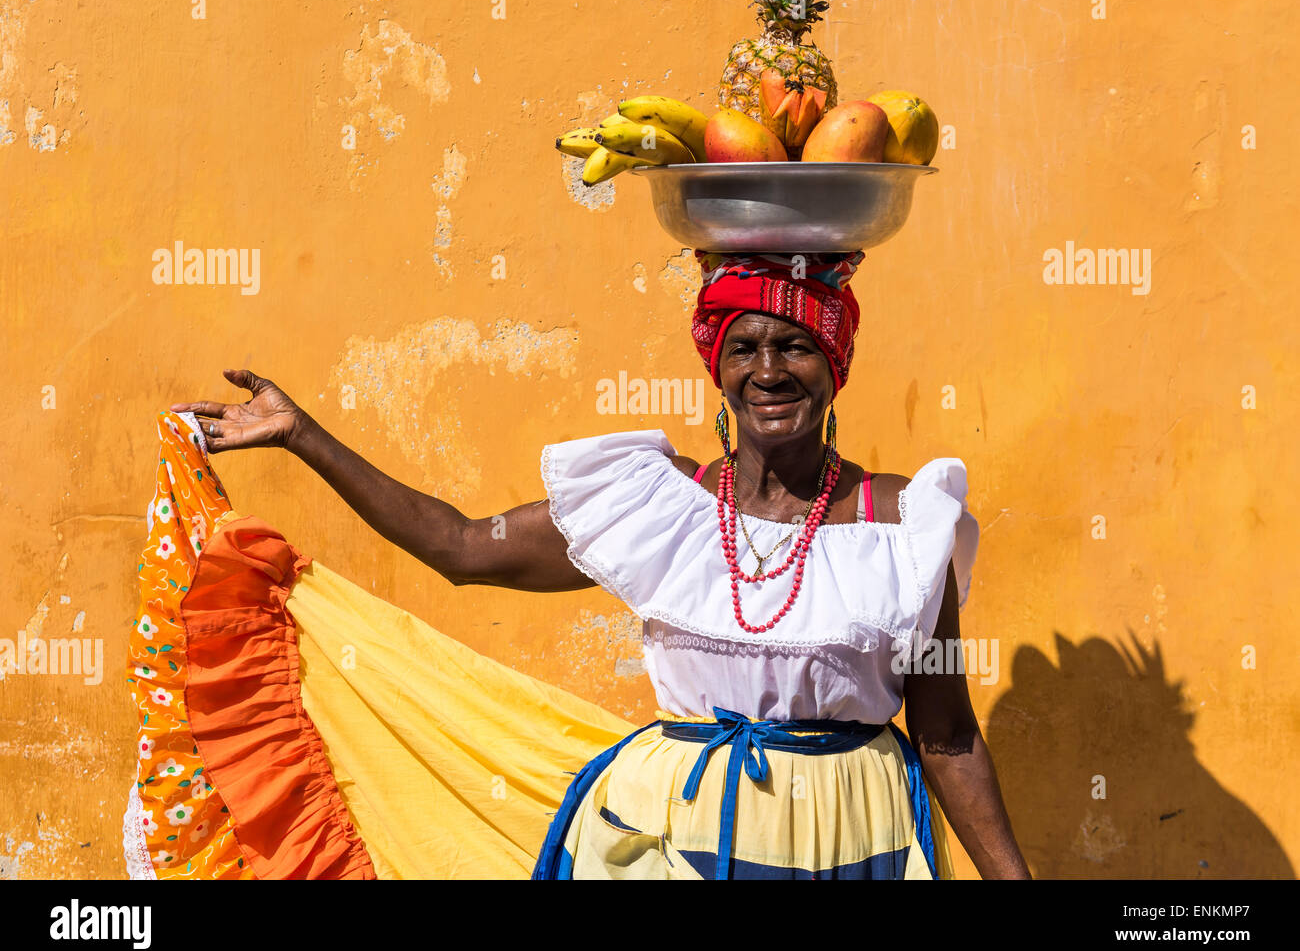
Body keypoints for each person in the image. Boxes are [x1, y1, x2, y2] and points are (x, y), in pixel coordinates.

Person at [171, 250, 1031, 880]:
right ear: (718, 370)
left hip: (852, 843)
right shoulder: (659, 509)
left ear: (834, 365)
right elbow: (462, 547)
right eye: (745, 348)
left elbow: (947, 732)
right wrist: (301, 435)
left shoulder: (903, 523)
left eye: (796, 347)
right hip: (671, 842)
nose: (769, 372)